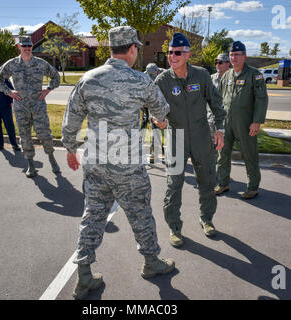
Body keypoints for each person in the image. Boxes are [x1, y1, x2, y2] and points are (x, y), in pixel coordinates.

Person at [62, 26, 174, 300]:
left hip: (96, 163)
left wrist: (70, 149)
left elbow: (71, 119)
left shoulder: (88, 78)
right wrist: (160, 120)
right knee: (140, 213)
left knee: (92, 215)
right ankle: (151, 262)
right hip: (127, 165)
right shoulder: (140, 80)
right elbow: (161, 112)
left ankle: (84, 275)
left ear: (112, 49)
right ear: (133, 48)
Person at [153, 33, 226, 245]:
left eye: (177, 53)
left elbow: (217, 104)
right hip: (176, 137)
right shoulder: (162, 81)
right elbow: (156, 109)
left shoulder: (202, 76)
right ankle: (175, 227)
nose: (172, 56)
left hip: (202, 136)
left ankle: (207, 219)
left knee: (207, 180)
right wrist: (158, 120)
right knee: (174, 184)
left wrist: (219, 130)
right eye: (169, 52)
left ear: (187, 55)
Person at [0, 35, 61, 178]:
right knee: (25, 135)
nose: (27, 48)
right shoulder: (12, 64)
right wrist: (9, 92)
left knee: (44, 134)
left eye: (29, 46)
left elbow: (56, 76)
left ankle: (51, 157)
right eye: (24, 46)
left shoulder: (41, 63)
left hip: (38, 105)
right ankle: (30, 164)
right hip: (20, 106)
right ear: (19, 47)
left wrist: (48, 89)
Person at [215, 41, 268, 199]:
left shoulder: (254, 75)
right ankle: (223, 183)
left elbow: (261, 99)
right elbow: (219, 98)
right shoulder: (227, 76)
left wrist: (257, 121)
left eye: (237, 55)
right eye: (231, 55)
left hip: (245, 123)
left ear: (244, 56)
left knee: (249, 154)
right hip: (227, 122)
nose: (233, 58)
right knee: (223, 153)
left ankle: (253, 187)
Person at [143, 63, 165, 163]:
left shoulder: (164, 74)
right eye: (149, 75)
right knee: (153, 126)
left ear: (157, 72)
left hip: (164, 102)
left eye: (153, 75)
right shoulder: (143, 76)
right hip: (151, 103)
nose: (151, 78)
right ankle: (153, 153)